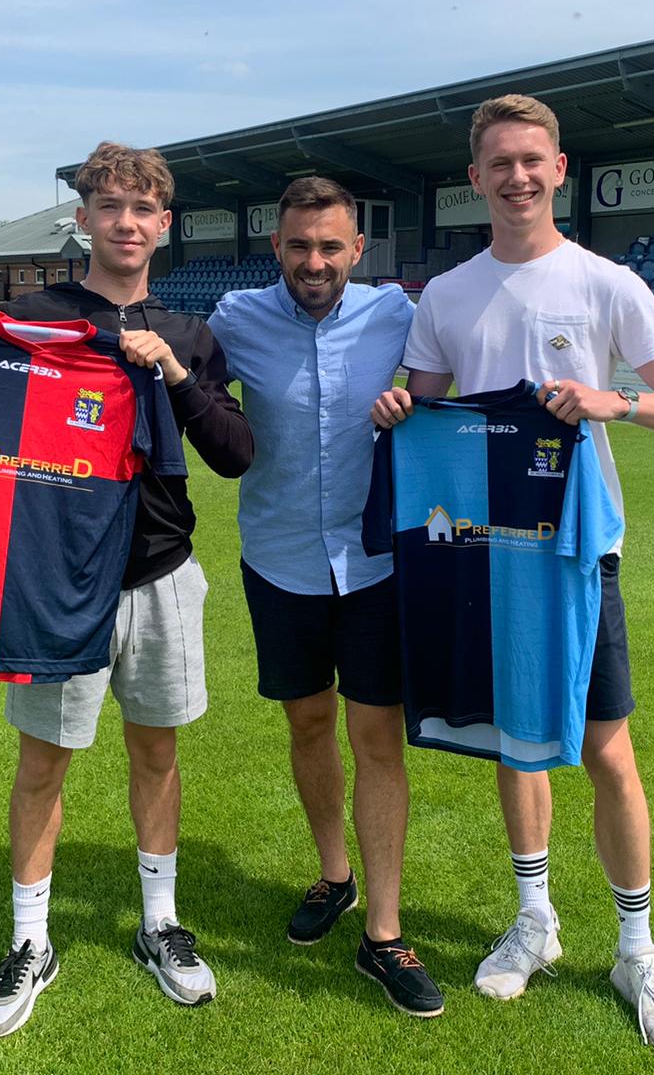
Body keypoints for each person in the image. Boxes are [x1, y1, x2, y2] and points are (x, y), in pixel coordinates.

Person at [371, 94, 654, 1055]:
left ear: (560, 169)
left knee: (607, 752)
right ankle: (535, 921)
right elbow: (429, 411)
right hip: (480, 548)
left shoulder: (607, 283)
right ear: (474, 179)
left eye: (533, 159)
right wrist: (401, 406)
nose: (517, 176)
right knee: (517, 738)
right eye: (499, 163)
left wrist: (617, 404)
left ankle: (637, 952)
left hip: (574, 553)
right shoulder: (444, 294)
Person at [0, 142, 253, 1037]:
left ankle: (159, 925)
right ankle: (31, 941)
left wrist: (169, 370)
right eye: (110, 206)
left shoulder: (193, 333)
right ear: (83, 218)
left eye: (143, 209)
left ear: (164, 225)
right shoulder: (29, 319)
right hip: (55, 580)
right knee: (44, 762)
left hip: (162, 572)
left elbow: (236, 454)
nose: (127, 222)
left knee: (156, 752)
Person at [205, 177, 443, 1017]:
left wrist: (415, 404)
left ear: (357, 250)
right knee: (307, 722)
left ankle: (384, 933)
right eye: (299, 246)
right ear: (277, 247)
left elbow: (454, 387)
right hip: (278, 559)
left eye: (330, 247)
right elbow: (144, 356)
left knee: (377, 735)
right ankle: (334, 876)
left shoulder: (398, 318)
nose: (315, 262)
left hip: (377, 562)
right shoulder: (233, 319)